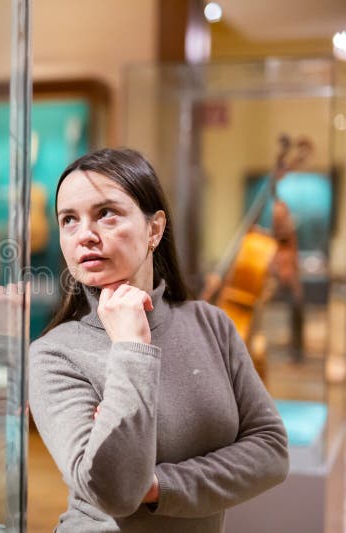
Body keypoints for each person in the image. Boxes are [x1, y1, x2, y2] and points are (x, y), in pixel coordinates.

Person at [29, 148, 289, 532]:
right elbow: (115, 492)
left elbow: (271, 451)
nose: (85, 234)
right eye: (69, 220)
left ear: (154, 229)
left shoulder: (211, 324)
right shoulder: (55, 354)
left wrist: (155, 486)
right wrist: (131, 350)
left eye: (106, 214)